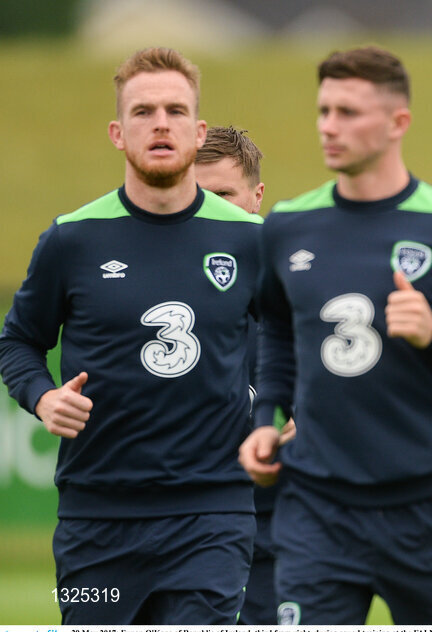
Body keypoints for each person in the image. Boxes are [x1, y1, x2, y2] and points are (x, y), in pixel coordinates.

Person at [237, 46, 432, 625]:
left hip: (431, 510)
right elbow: (277, 330)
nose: (329, 126)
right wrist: (265, 421)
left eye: (348, 112)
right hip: (316, 508)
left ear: (398, 122)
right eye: (324, 110)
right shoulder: (286, 226)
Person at [0, 48, 262, 624]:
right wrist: (42, 396)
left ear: (197, 132)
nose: (161, 122)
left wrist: (288, 406)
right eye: (144, 111)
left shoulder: (252, 241)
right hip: (97, 519)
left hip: (212, 514)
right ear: (119, 133)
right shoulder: (72, 240)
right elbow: (17, 341)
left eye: (175, 110)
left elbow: (295, 340)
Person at [194, 125, 282, 625]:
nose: (212, 208)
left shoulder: (301, 272)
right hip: (191, 522)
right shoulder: (155, 273)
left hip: (284, 528)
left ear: (256, 195)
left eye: (224, 194)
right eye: (199, 195)